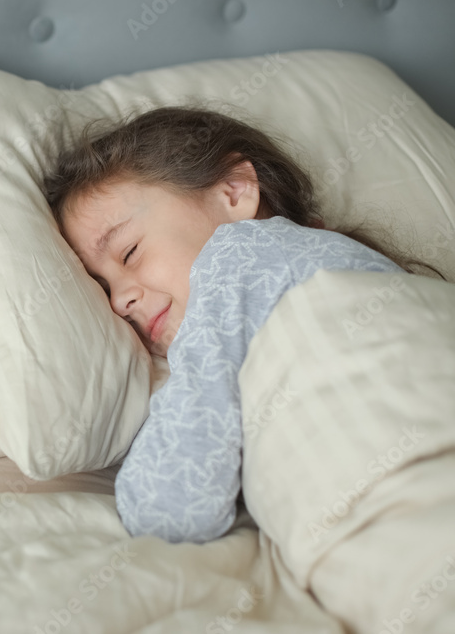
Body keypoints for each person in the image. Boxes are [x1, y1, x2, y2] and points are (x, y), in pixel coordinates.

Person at [43, 105, 444, 543]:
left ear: (234, 191)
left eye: (129, 252)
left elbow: (170, 508)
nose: (120, 300)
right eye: (102, 288)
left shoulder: (237, 256)